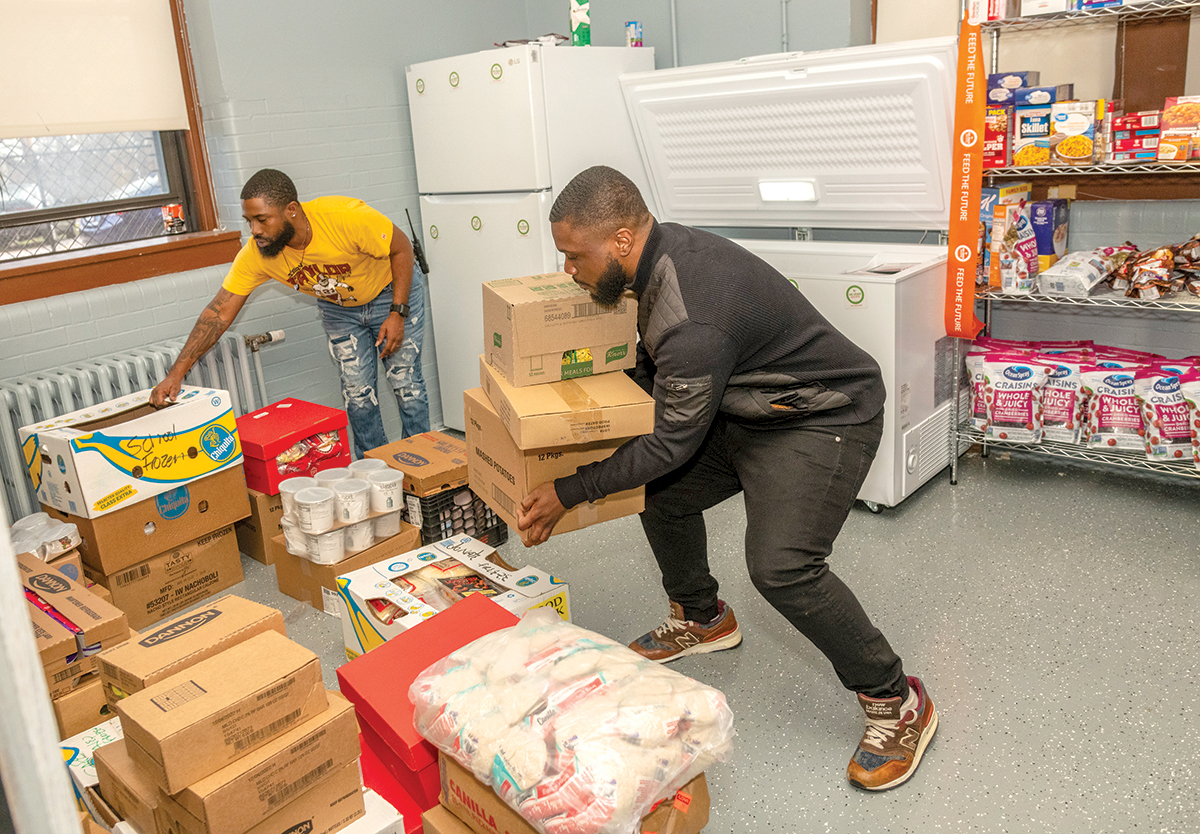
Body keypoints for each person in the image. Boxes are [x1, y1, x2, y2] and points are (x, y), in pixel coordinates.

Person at [517, 166, 937, 791]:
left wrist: (568, 489)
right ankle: (703, 617)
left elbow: (669, 440)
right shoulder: (658, 261)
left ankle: (896, 700)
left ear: (623, 241)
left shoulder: (693, 315)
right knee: (660, 496)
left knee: (783, 566)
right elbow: (659, 384)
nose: (570, 268)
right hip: (745, 404)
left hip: (822, 415)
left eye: (576, 256)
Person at [150, 169, 430, 456]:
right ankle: (375, 468)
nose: (254, 230)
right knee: (357, 395)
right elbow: (218, 312)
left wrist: (398, 313)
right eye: (249, 221)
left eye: (262, 219)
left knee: (406, 384)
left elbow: (402, 249)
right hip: (339, 307)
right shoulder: (257, 253)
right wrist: (176, 373)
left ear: (291, 210)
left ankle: (423, 465)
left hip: (390, 294)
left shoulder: (346, 217)